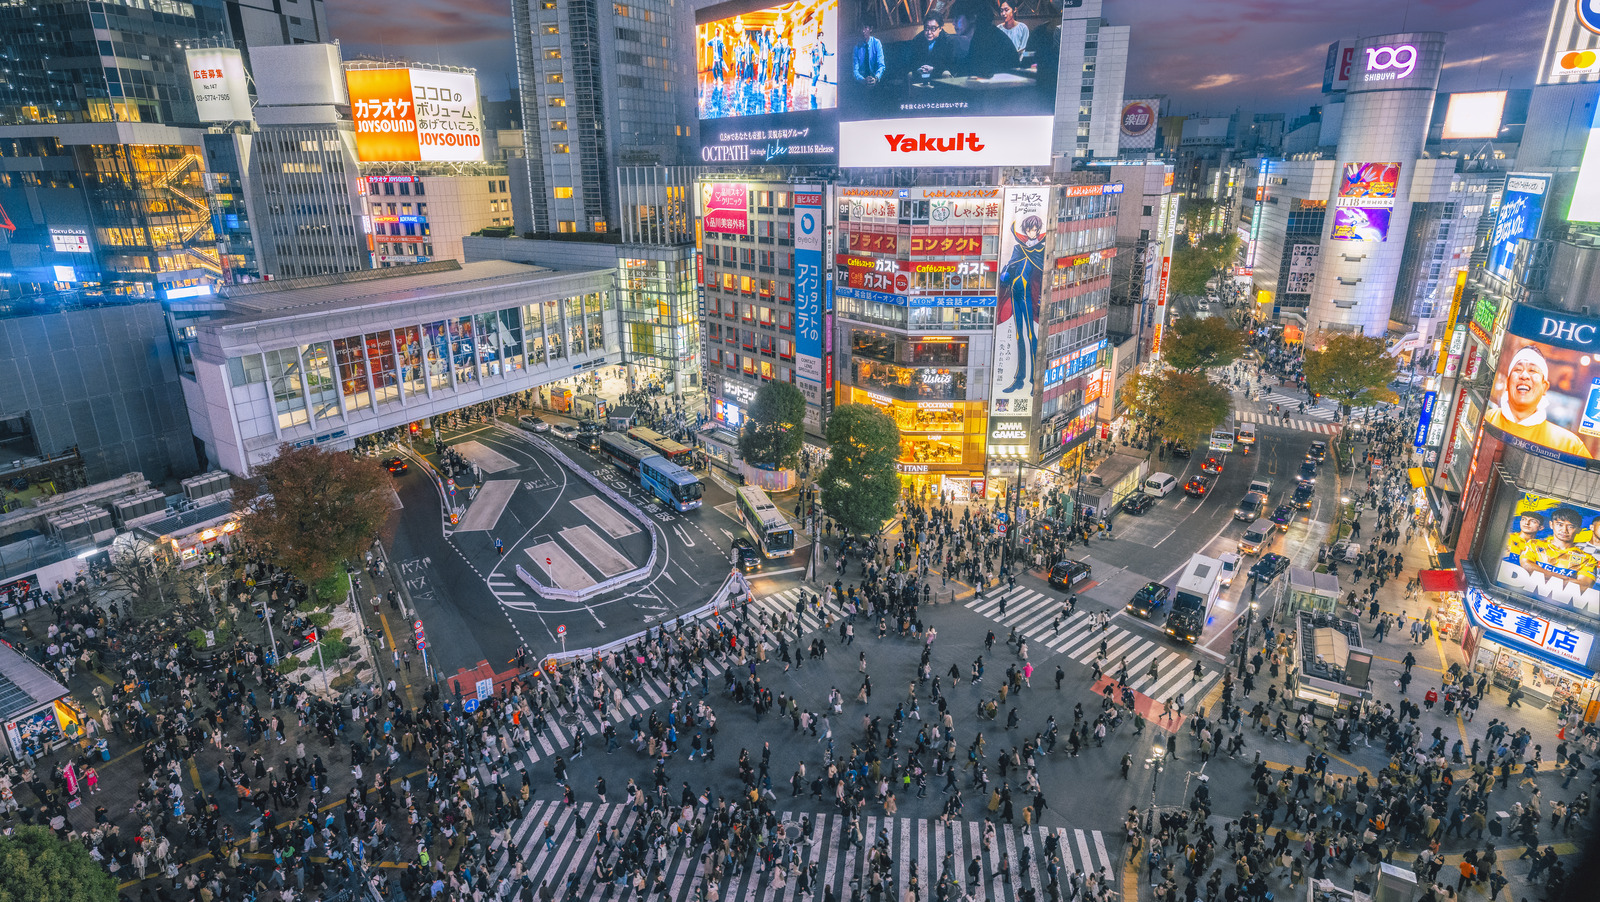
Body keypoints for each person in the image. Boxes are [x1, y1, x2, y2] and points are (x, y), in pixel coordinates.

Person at [1484, 344, 1592, 458]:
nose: (1524, 375)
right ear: (1508, 382)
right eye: (1518, 369)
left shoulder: (1570, 446)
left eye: (1532, 370)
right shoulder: (1486, 419)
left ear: (1544, 387)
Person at [1522, 507, 1597, 591]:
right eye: (1560, 524)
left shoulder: (1588, 560)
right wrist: (1566, 579)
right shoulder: (1534, 544)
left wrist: (1543, 574)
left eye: (1570, 526)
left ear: (1579, 530)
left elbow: (1583, 586)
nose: (1564, 530)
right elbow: (1526, 566)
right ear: (1551, 525)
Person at [904, 15, 955, 86]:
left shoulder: (948, 41)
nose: (929, 32)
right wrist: (920, 68)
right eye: (927, 28)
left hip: (939, 71)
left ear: (940, 28)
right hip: (922, 71)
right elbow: (912, 61)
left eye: (933, 29)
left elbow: (950, 64)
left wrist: (933, 69)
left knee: (946, 74)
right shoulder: (918, 39)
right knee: (910, 75)